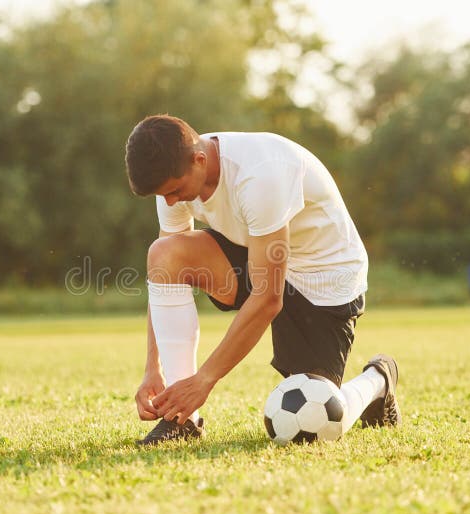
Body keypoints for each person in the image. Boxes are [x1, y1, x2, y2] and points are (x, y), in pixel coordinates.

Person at [124, 115, 401, 445]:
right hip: (258, 257)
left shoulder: (260, 174)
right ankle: (181, 420)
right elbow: (163, 275)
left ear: (199, 160)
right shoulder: (174, 176)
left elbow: (268, 298)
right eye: (163, 195)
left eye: (175, 191)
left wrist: (205, 380)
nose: (170, 201)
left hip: (325, 279)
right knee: (164, 253)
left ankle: (377, 380)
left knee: (319, 411)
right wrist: (152, 368)